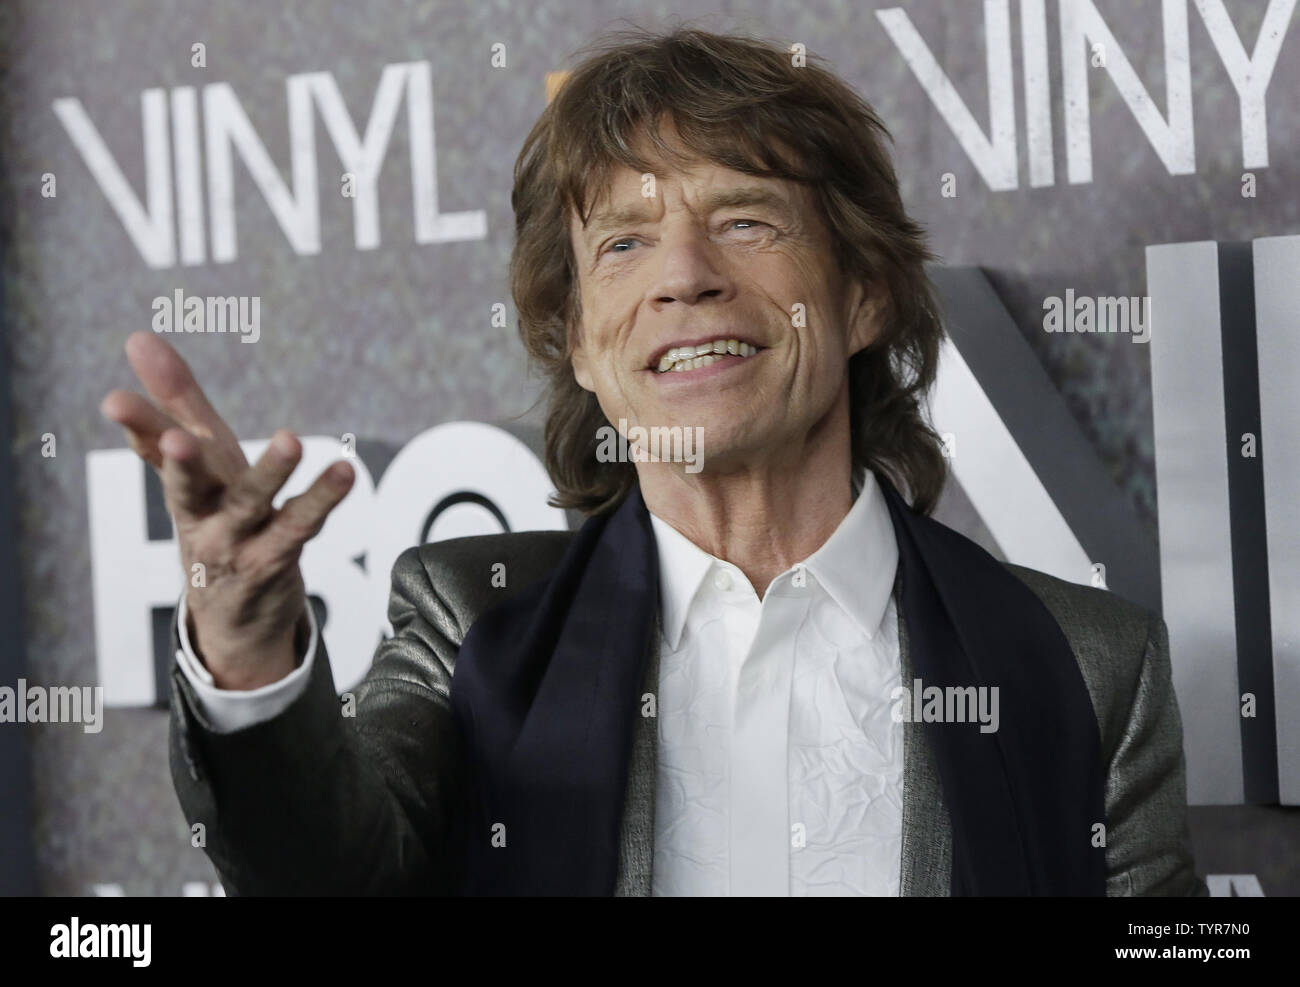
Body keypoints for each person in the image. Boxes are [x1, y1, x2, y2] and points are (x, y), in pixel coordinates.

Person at [100, 27, 1206, 896]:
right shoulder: (469, 624)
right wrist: (246, 651)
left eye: (748, 221)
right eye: (622, 243)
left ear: (863, 294)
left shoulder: (1092, 665)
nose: (684, 274)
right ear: (580, 343)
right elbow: (324, 873)